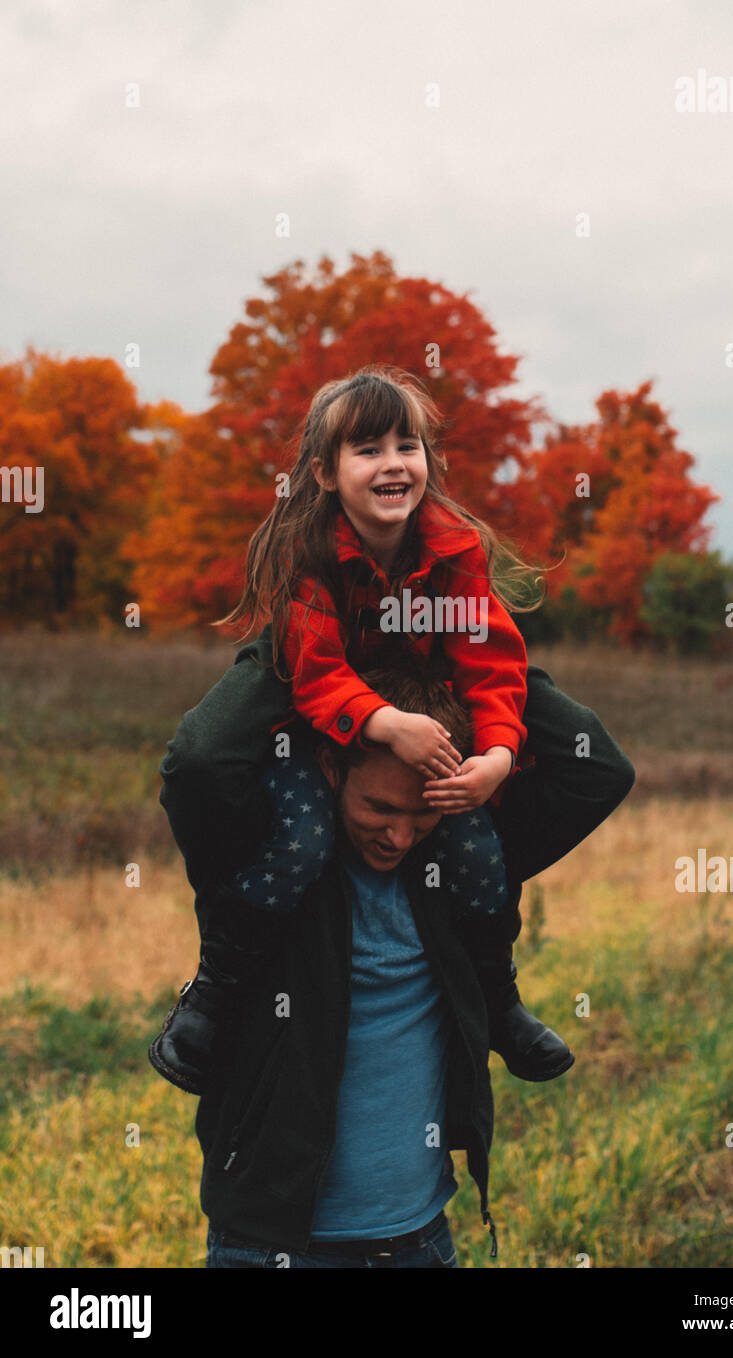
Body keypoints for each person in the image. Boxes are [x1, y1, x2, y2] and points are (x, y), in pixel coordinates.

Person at [151, 364, 576, 1095]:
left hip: (417, 694)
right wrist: (384, 723)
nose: (393, 464)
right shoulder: (310, 550)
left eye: (407, 446)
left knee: (476, 846)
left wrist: (500, 754)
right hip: (311, 706)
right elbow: (315, 671)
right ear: (324, 472)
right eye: (368, 449)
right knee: (292, 832)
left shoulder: (453, 549)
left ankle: (497, 1001)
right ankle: (215, 992)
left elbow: (489, 658)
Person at [156, 644, 635, 1266]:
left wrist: (462, 639)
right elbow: (197, 759)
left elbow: (600, 770)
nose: (400, 836)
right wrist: (309, 638)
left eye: (422, 813)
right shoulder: (264, 853)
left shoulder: (462, 863)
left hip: (419, 1241)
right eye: (379, 808)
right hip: (270, 1246)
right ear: (330, 767)